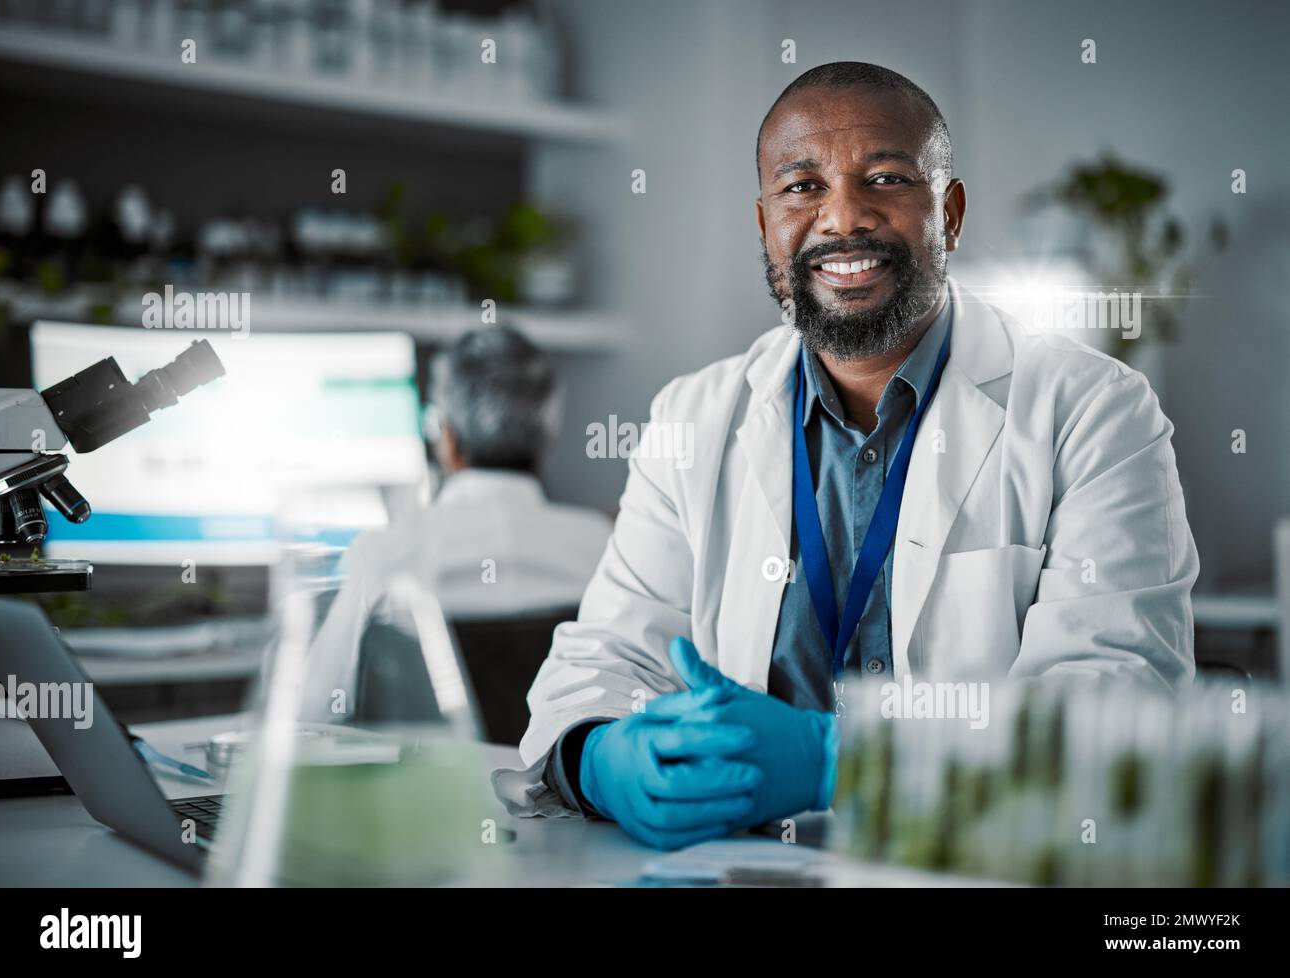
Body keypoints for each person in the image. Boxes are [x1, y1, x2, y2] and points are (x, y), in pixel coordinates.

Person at [496, 62, 1199, 850]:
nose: (844, 217)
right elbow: (606, 656)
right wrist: (601, 757)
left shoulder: (1094, 411)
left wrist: (838, 762)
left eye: (888, 178)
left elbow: (1119, 707)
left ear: (951, 214)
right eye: (802, 187)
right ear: (764, 225)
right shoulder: (692, 415)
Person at [300, 326, 613, 722]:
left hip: (430, 781)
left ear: (446, 437)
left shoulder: (385, 554)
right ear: (547, 436)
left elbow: (312, 713)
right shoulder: (602, 545)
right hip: (557, 780)